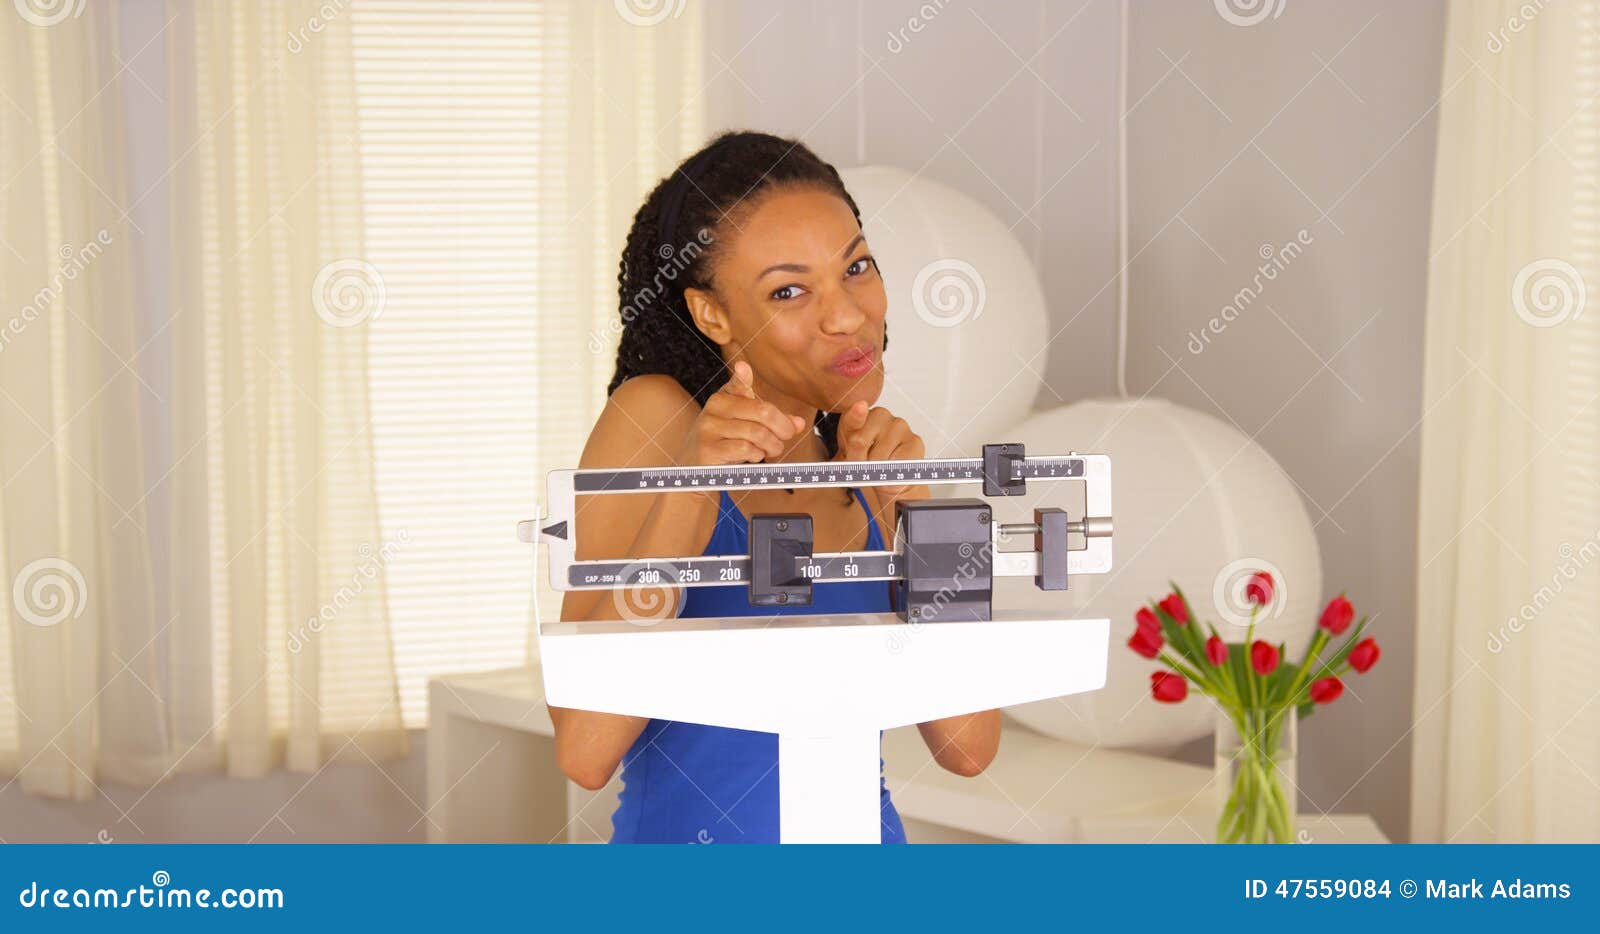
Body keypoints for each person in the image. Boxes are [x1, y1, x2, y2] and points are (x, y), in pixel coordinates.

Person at [552, 130, 1000, 844]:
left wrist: (918, 515)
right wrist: (697, 490)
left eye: (856, 267)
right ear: (713, 315)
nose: (847, 315)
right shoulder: (656, 418)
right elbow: (585, 747)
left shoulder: (865, 457)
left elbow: (969, 747)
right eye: (789, 290)